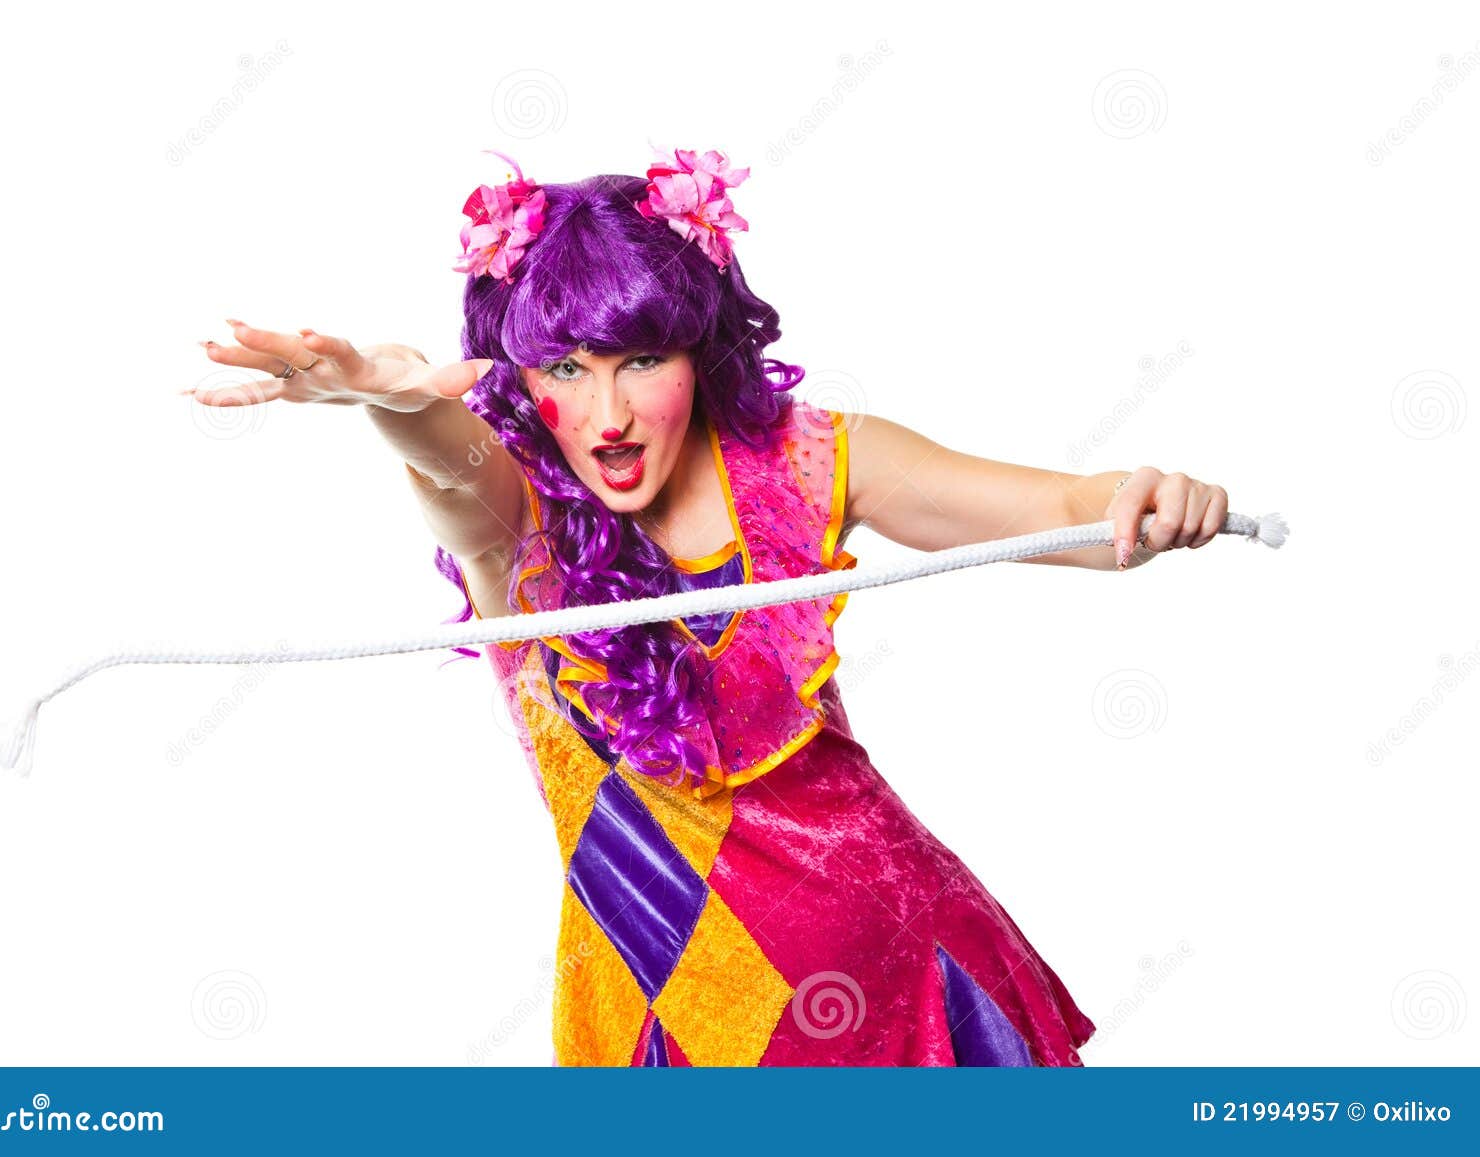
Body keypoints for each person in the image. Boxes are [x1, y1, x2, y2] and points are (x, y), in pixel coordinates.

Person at [187, 149, 1229, 1066]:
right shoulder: (520, 525)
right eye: (564, 367)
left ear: (701, 348)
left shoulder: (812, 458)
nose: (607, 415)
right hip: (690, 1026)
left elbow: (1066, 513)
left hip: (920, 994)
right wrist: (396, 398)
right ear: (520, 375)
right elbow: (453, 471)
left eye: (641, 360)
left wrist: (1144, 496)